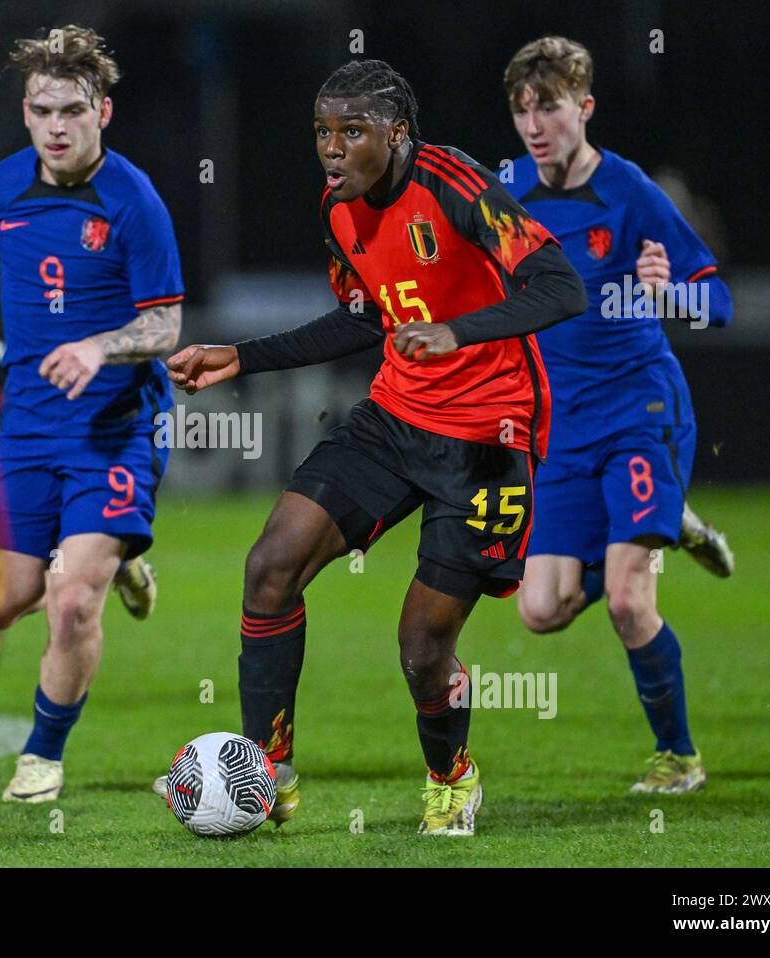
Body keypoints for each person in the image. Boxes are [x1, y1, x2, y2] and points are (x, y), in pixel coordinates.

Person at [159, 59, 585, 835]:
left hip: (489, 437)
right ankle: (266, 768)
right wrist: (242, 356)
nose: (332, 148)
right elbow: (364, 317)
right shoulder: (338, 208)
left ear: (396, 134)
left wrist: (457, 330)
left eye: (351, 132)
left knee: (423, 647)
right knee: (271, 565)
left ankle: (452, 777)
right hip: (395, 417)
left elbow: (561, 286)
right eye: (323, 131)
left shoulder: (456, 186)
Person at [0, 25, 182, 804]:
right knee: (1, 598)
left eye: (72, 110)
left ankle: (43, 755)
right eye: (42, 109)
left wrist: (98, 349)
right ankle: (118, 561)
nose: (56, 126)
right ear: (26, 111)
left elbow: (166, 327)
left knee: (72, 600)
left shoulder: (135, 201)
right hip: (29, 428)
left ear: (102, 112)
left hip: (115, 428)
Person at [503, 36, 734, 793]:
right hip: (562, 430)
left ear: (585, 109)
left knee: (630, 601)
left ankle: (679, 757)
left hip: (640, 407)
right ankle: (677, 523)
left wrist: (674, 296)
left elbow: (718, 302)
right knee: (540, 609)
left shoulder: (630, 192)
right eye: (523, 109)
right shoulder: (505, 193)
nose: (536, 125)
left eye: (551, 107)